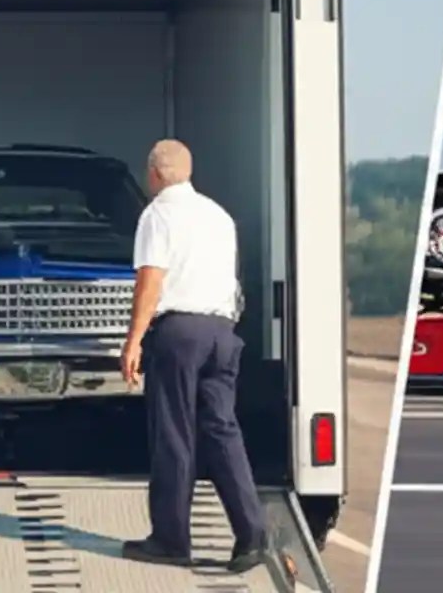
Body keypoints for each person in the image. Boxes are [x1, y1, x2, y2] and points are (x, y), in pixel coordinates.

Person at [119, 139, 268, 572]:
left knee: (174, 434)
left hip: (179, 333)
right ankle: (251, 537)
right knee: (222, 432)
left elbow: (151, 282)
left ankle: (170, 539)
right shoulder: (219, 216)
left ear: (153, 175)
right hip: (221, 331)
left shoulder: (157, 214)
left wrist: (132, 341)